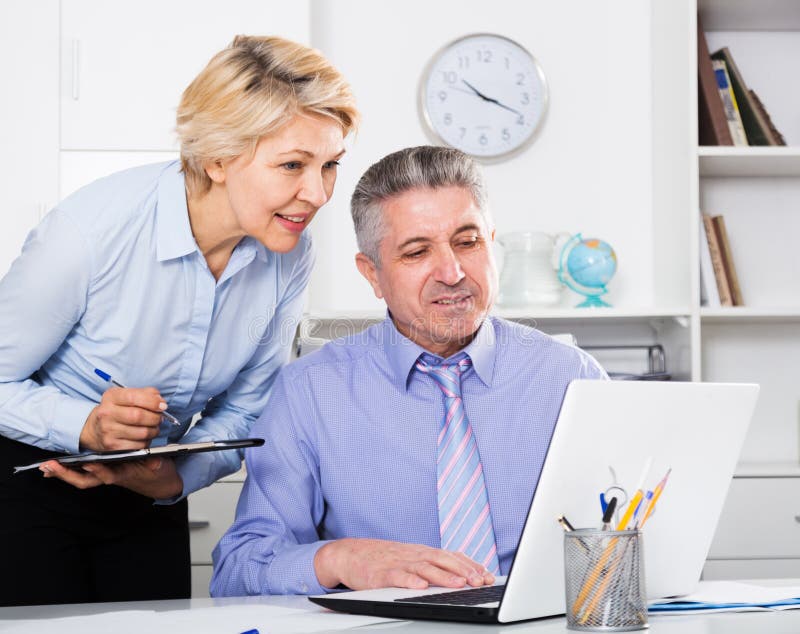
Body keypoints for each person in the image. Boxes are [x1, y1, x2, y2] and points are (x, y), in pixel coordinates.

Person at [0, 35, 358, 606]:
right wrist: (85, 426)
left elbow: (245, 407)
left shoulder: (289, 251)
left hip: (150, 490)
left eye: (330, 165)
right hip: (32, 483)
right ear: (217, 158)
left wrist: (174, 480)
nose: (316, 193)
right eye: (292, 165)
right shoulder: (87, 235)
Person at [211, 145, 606, 598]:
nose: (453, 272)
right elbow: (236, 573)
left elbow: (630, 532)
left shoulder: (572, 377)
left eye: (468, 241)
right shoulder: (309, 391)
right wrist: (339, 558)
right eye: (417, 252)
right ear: (373, 274)